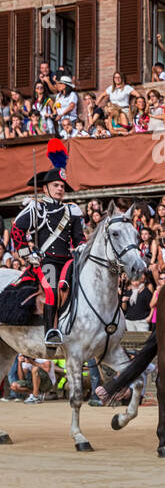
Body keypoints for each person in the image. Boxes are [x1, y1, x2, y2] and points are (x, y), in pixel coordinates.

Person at [9, 138, 84, 349]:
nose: (60, 189)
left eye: (62, 186)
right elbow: (16, 229)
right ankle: (50, 332)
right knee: (51, 291)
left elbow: (78, 238)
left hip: (68, 261)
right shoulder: (37, 208)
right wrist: (27, 254)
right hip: (47, 261)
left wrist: (82, 246)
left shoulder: (72, 210)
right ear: (45, 188)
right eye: (56, 185)